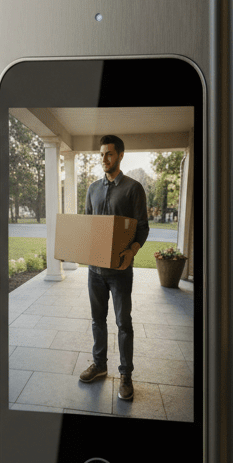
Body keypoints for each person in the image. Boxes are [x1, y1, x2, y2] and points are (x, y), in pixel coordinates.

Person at [78, 134, 149, 401]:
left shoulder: (133, 189)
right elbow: (87, 226)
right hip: (94, 271)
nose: (104, 159)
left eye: (109, 154)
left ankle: (126, 376)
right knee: (97, 321)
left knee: (123, 324)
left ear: (120, 155)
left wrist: (131, 252)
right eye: (101, 155)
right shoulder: (93, 189)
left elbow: (142, 227)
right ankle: (99, 366)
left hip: (120, 271)